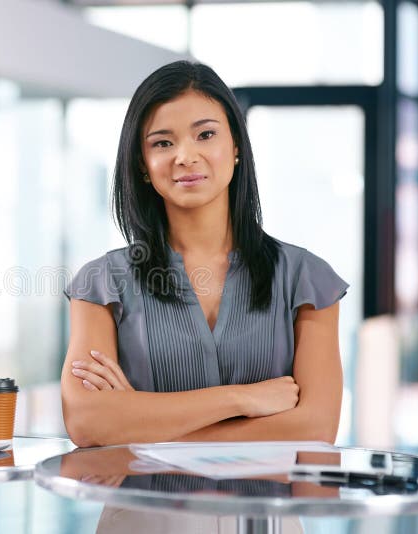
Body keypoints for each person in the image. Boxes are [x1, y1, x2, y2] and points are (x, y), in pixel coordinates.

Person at [61, 61, 349, 448]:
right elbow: (86, 421)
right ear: (143, 166)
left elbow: (315, 430)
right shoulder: (101, 283)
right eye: (163, 142)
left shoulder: (306, 279)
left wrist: (139, 420)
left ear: (235, 148)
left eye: (205, 135)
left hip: (264, 508)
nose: (185, 156)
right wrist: (241, 398)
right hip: (141, 507)